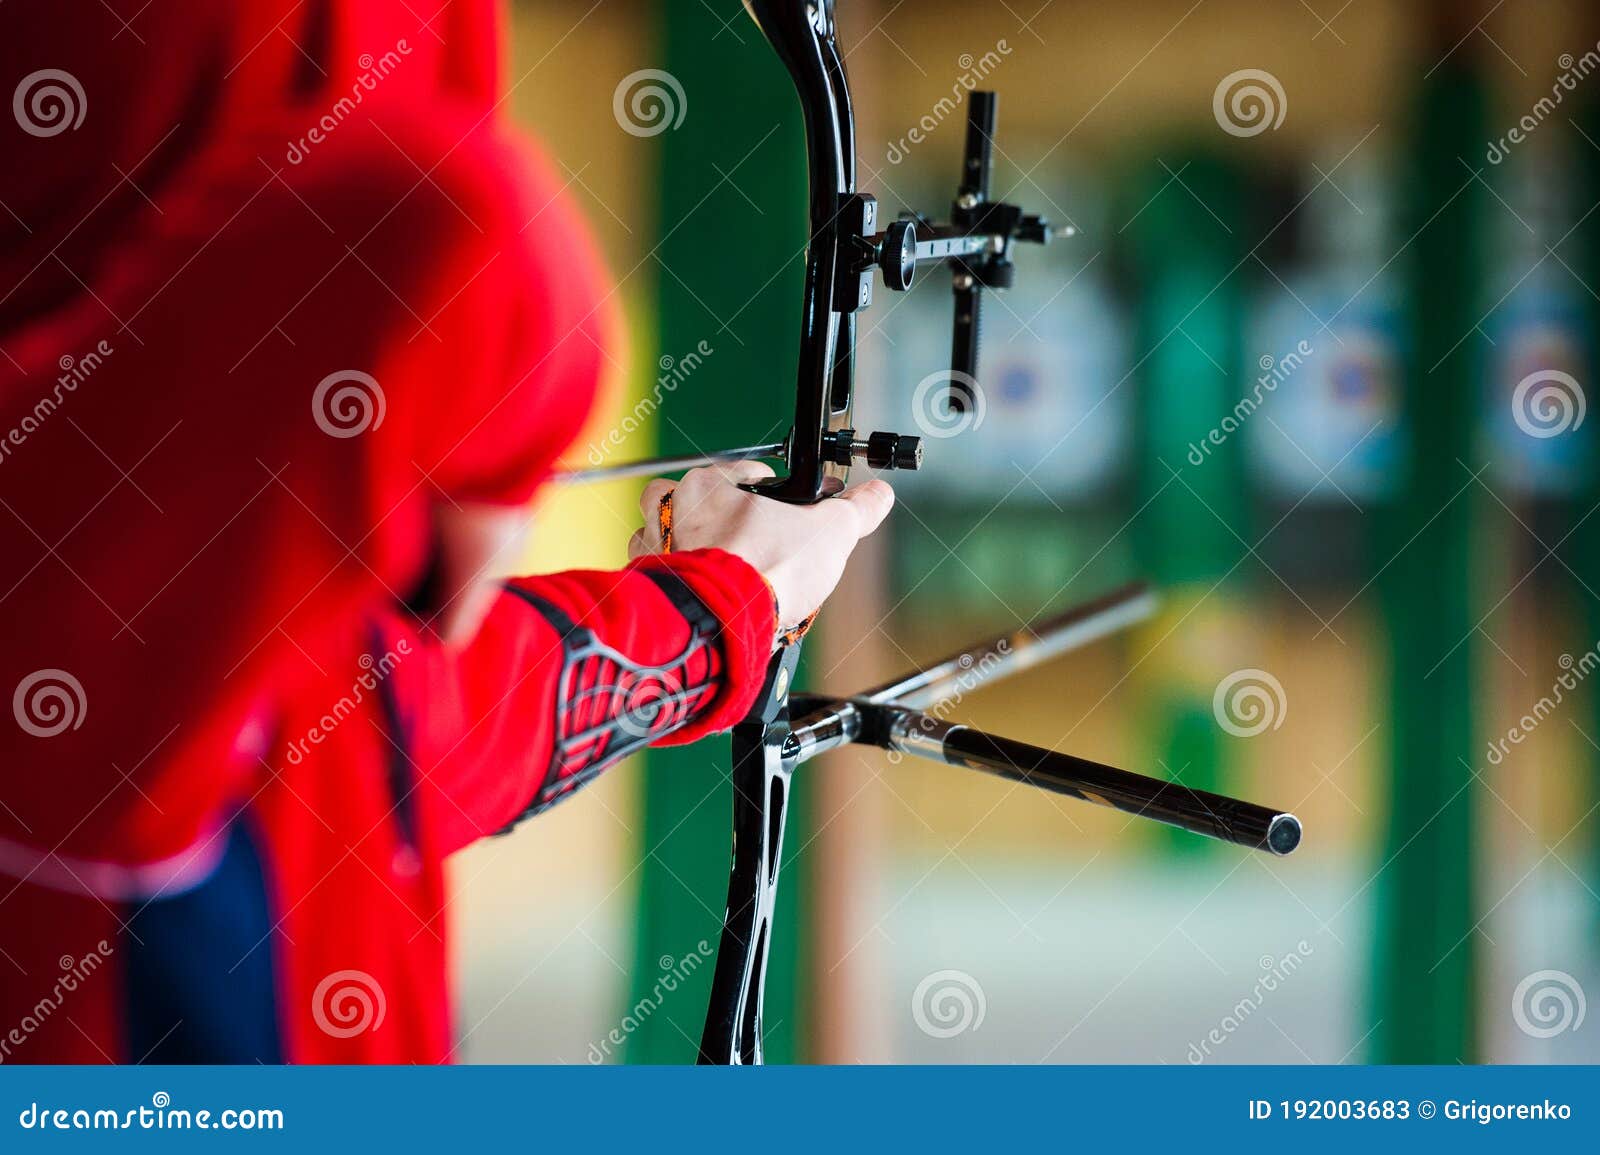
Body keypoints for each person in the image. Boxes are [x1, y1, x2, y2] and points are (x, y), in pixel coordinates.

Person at [0, 0, 890, 1063]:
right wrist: (505, 447)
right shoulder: (93, 689)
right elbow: (438, 224)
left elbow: (401, 722)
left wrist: (722, 602)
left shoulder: (245, 670)